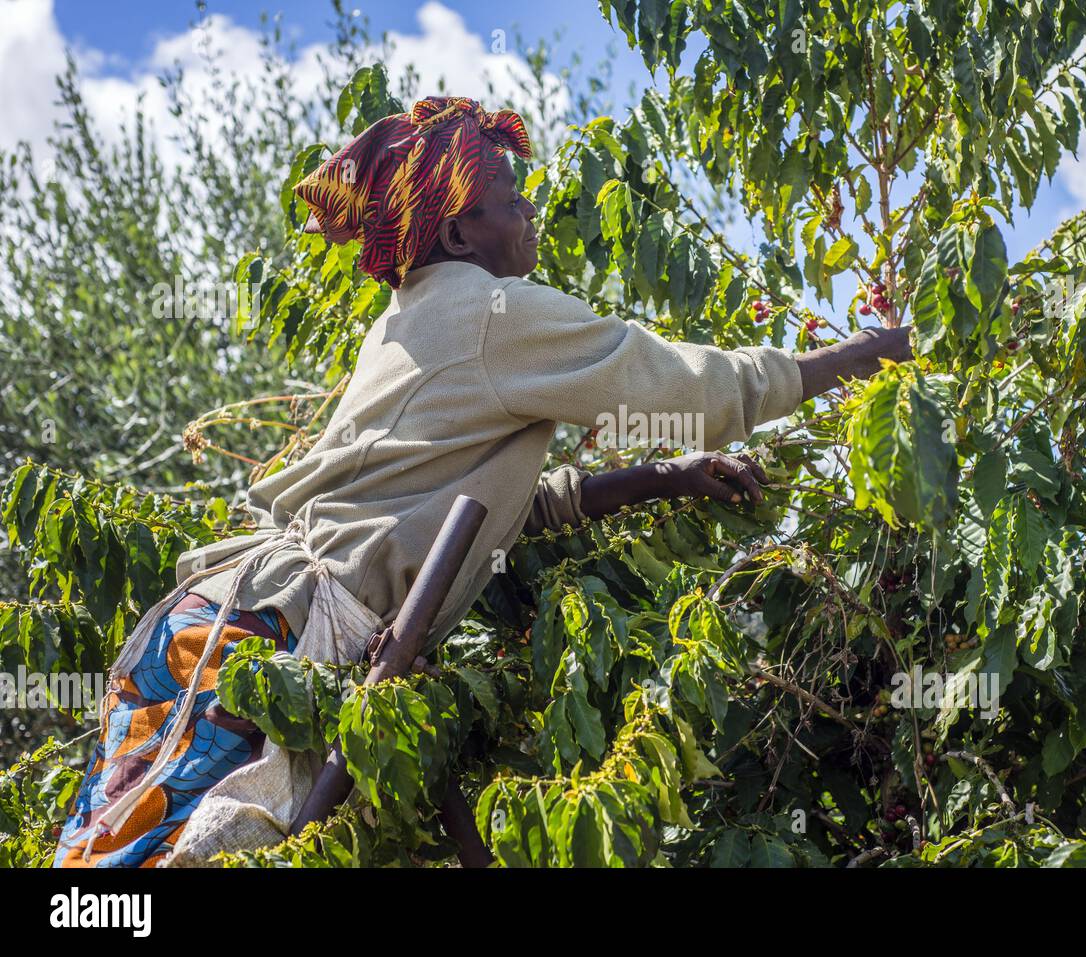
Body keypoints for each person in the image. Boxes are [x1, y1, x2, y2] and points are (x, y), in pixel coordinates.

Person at [55, 95, 911, 867]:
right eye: (512, 199)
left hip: (215, 624)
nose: (531, 212)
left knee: (102, 872)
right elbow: (688, 387)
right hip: (273, 643)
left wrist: (662, 477)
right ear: (461, 234)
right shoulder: (494, 312)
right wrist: (858, 357)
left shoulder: (407, 321)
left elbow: (485, 508)